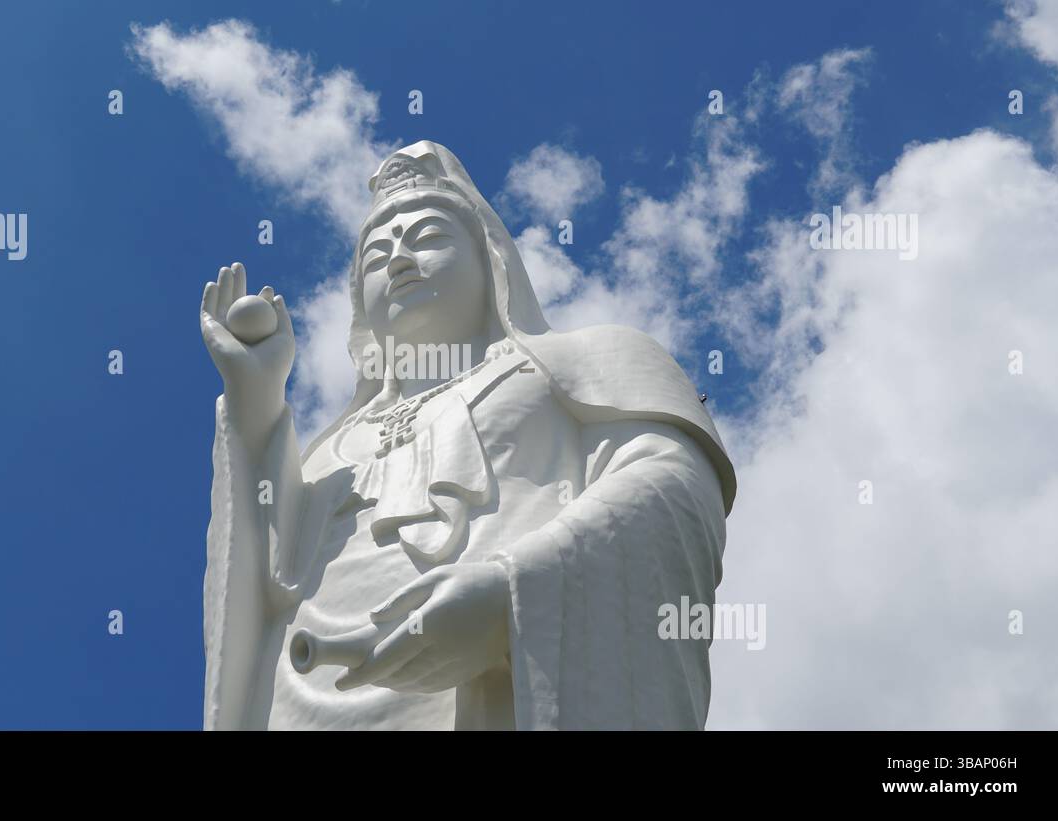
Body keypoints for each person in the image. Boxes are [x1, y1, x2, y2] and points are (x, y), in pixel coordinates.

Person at [200, 141, 736, 730]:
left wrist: (512, 595)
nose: (399, 261)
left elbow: (675, 486)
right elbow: (267, 585)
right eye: (376, 255)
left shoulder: (576, 363)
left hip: (496, 694)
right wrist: (256, 407)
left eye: (427, 237)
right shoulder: (331, 451)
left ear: (489, 261)